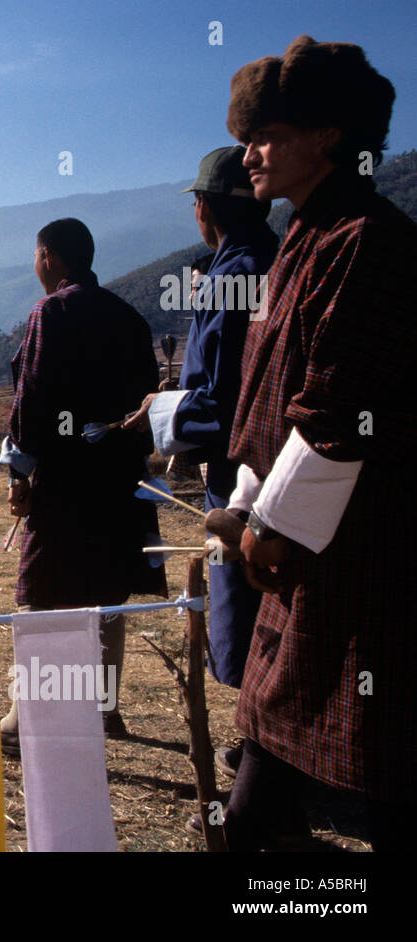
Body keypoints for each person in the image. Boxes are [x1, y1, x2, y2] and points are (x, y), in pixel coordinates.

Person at [209, 36, 416, 851]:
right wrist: (246, 506)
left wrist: (269, 526)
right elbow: (271, 400)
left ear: (327, 134)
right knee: (264, 801)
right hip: (302, 551)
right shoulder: (307, 236)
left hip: (363, 560)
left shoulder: (367, 240)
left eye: (267, 133)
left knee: (387, 786)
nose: (250, 153)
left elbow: (337, 409)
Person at [123, 146, 279, 797]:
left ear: (206, 208)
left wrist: (157, 412)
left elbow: (224, 401)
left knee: (243, 621)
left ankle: (264, 767)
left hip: (241, 483)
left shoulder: (229, 277)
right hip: (289, 477)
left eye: (194, 202)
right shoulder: (282, 259)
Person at [0, 218, 166, 755]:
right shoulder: (130, 319)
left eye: (36, 255)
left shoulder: (52, 312)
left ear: (49, 257)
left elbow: (32, 399)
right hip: (119, 480)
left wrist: (18, 473)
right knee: (106, 593)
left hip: (65, 480)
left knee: (45, 590)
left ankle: (30, 716)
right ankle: (103, 707)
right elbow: (146, 403)